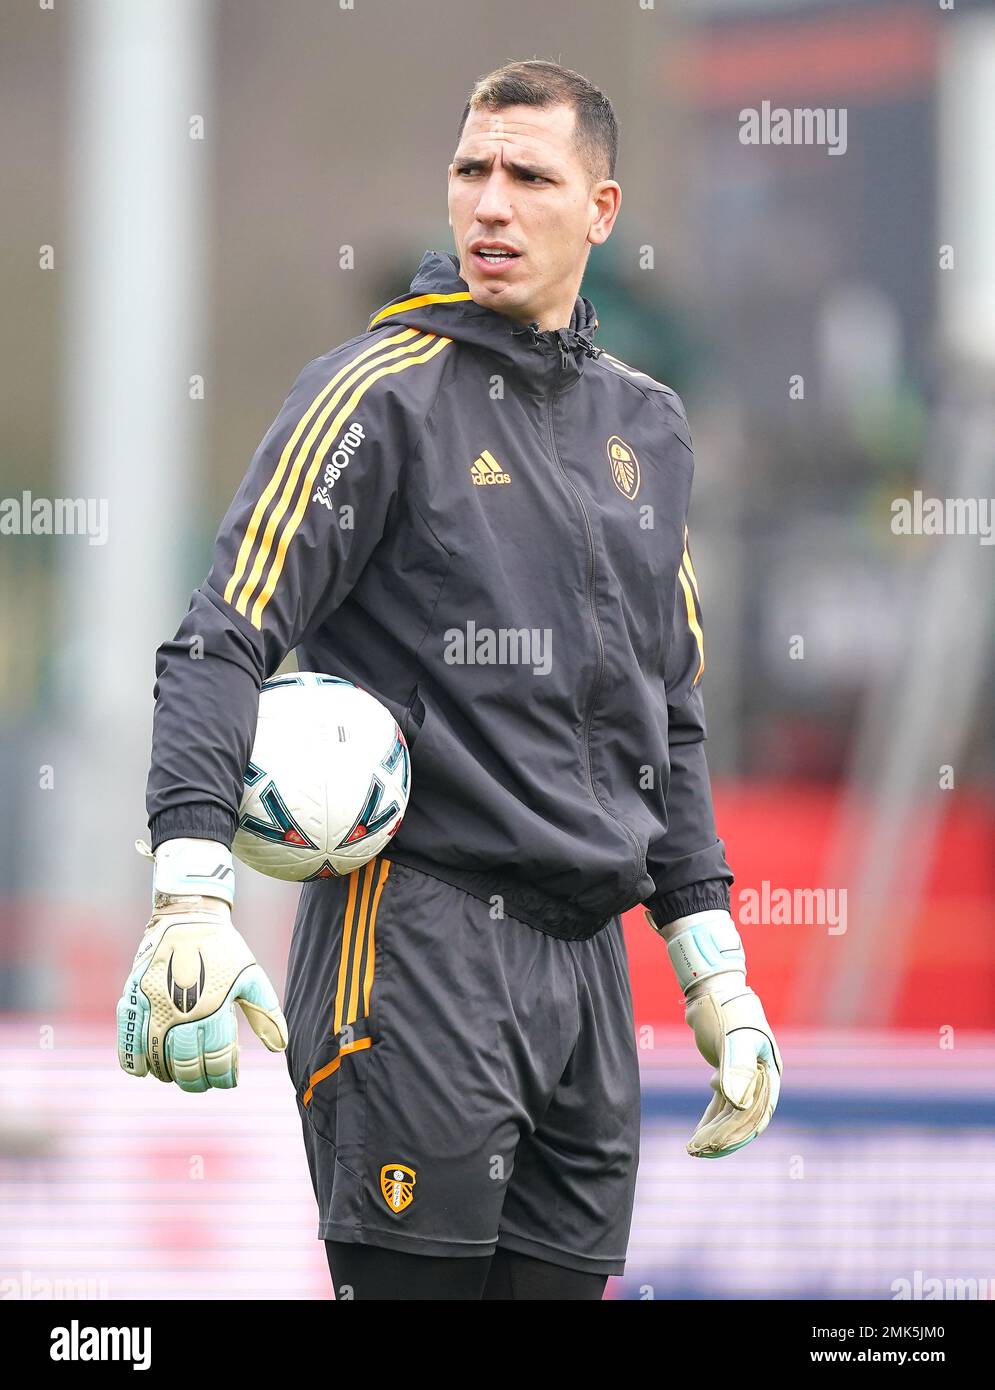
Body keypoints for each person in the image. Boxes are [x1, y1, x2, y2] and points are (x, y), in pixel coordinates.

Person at [117, 59, 782, 1301]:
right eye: (469, 170)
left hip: (586, 971)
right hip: (417, 944)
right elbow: (221, 637)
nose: (489, 202)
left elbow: (668, 713)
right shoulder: (377, 392)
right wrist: (188, 892)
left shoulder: (648, 428)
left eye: (529, 176)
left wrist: (712, 964)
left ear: (600, 208)